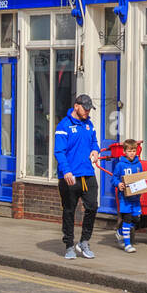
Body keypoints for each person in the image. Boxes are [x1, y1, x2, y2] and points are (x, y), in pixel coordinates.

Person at [55, 94, 100, 259]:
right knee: (69, 211)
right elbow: (59, 151)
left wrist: (95, 150)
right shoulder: (64, 126)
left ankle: (84, 241)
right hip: (70, 176)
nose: (87, 111)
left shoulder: (89, 124)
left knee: (92, 207)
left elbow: (94, 142)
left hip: (87, 174)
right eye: (85, 108)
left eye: (89, 109)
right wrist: (66, 171)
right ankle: (69, 245)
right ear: (76, 106)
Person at [112, 139, 145, 253]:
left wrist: (144, 185)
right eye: (129, 151)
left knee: (136, 219)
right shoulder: (120, 165)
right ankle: (127, 244)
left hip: (135, 198)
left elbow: (141, 178)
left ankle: (120, 232)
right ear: (124, 151)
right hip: (124, 199)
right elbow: (114, 178)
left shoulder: (138, 164)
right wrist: (118, 184)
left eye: (134, 151)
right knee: (127, 219)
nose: (132, 153)